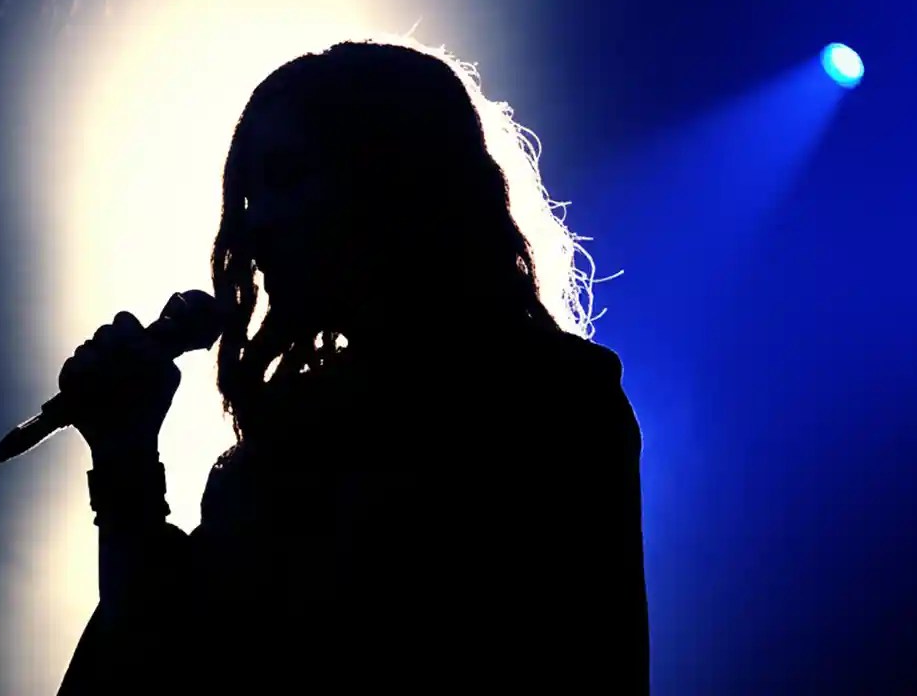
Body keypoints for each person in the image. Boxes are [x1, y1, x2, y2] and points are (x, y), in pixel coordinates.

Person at [55, 37, 649, 693]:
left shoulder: (550, 402)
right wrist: (123, 453)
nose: (256, 225)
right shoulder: (295, 434)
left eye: (286, 178)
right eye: (251, 195)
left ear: (390, 179)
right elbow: (151, 661)